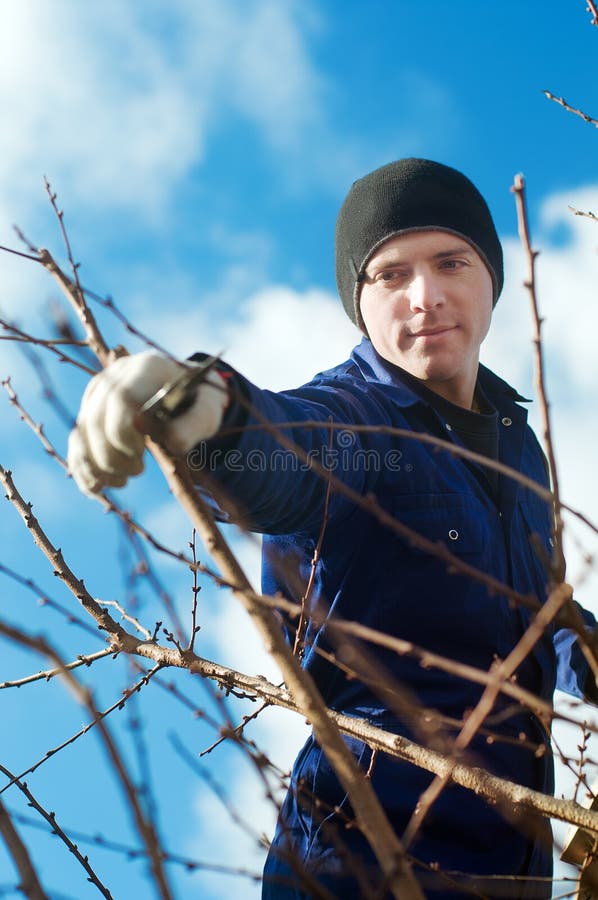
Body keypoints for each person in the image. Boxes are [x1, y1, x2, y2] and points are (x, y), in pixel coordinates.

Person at [67, 159, 598, 898]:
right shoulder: (356, 420)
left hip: (512, 872)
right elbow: (285, 454)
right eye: (391, 275)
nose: (426, 296)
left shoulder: (517, 447)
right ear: (360, 300)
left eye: (452, 262)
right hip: (361, 867)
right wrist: (205, 411)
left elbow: (541, 611)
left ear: (492, 279)